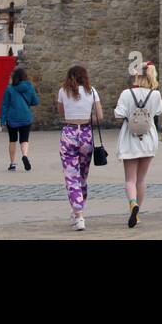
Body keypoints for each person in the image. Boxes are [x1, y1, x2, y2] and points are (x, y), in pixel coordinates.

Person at [115, 61, 162, 228]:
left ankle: (133, 204)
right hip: (148, 138)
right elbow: (159, 111)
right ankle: (137, 214)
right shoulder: (155, 94)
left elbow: (118, 115)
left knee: (130, 179)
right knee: (141, 179)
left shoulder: (126, 94)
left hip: (130, 137)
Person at [57, 65, 103, 231]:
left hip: (69, 133)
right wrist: (87, 115)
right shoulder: (93, 92)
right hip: (85, 134)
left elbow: (61, 112)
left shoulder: (63, 92)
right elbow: (100, 116)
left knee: (71, 176)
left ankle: (78, 214)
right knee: (83, 175)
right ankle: (78, 208)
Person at [0, 67, 40, 171]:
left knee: (12, 140)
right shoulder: (29, 87)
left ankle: (12, 164)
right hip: (25, 117)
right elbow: (35, 101)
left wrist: (2, 120)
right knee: (24, 139)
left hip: (12, 118)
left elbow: (5, 105)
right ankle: (25, 156)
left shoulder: (9, 89)